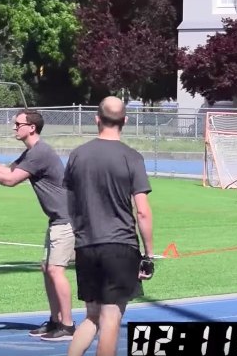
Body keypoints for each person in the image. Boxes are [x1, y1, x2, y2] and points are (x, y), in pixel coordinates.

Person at [0, 109, 76, 341]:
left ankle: (68, 326)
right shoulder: (31, 153)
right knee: (47, 269)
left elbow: (11, 181)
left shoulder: (40, 152)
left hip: (67, 220)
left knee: (56, 270)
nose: (14, 127)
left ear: (31, 127)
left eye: (18, 124)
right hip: (57, 219)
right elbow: (8, 170)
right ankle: (55, 321)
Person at [62, 96, 155, 356]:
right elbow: (143, 212)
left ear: (97, 119)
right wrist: (148, 255)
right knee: (111, 318)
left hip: (87, 245)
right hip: (120, 246)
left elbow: (69, 202)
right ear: (125, 120)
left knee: (92, 317)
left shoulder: (78, 154)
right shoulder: (132, 157)